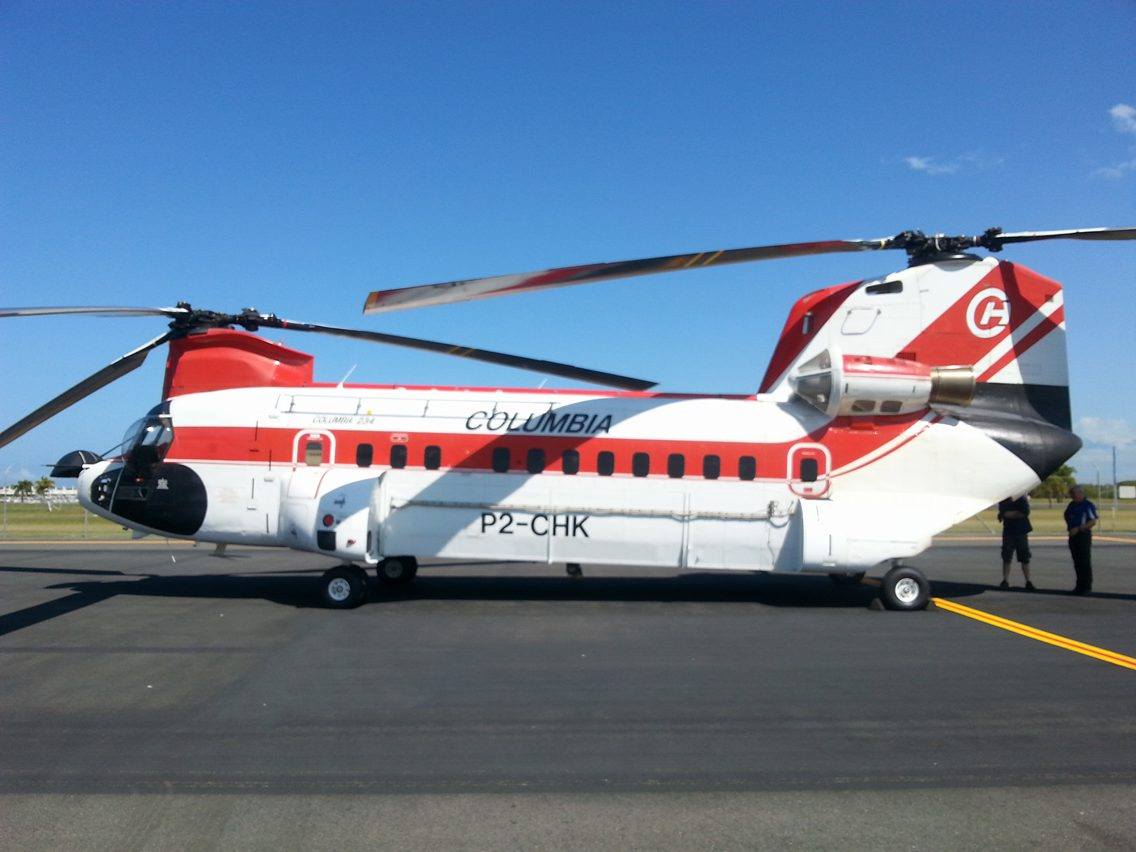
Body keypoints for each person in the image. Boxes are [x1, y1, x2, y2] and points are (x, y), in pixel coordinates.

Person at [1064, 485, 1098, 595]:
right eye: (1071, 494)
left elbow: (1092, 521)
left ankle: (1086, 586)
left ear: (1080, 493)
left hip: (1083, 535)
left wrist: (1079, 528)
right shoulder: (1071, 505)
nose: (1072, 496)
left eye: (1074, 493)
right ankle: (1079, 585)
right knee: (1077, 561)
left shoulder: (1087, 505)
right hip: (1073, 536)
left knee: (1084, 561)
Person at [997, 494, 1034, 591]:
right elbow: (1003, 513)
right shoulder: (1003, 499)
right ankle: (1005, 580)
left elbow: (1025, 512)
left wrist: (1008, 514)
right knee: (1006, 556)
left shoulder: (1021, 498)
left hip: (1020, 531)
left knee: (1024, 557)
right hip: (1009, 531)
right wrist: (1013, 513)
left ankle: (1028, 581)